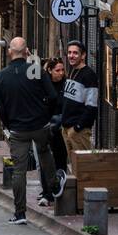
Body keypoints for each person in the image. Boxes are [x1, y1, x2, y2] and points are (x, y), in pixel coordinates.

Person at [0, 37, 59, 224]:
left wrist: (9, 124)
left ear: (9, 52)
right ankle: (55, 188)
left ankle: (20, 213)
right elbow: (53, 96)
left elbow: (0, 107)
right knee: (45, 154)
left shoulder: (1, 76)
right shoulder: (36, 71)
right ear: (27, 51)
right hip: (40, 125)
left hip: (18, 129)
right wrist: (46, 115)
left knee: (19, 172)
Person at [38, 57, 69, 207]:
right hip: (46, 128)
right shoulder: (44, 85)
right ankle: (47, 193)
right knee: (45, 162)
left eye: (62, 70)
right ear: (49, 70)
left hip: (61, 129)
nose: (61, 73)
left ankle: (59, 191)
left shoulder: (66, 85)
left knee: (60, 160)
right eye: (57, 70)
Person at [61, 40, 100, 157]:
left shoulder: (89, 75)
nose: (71, 56)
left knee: (84, 166)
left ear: (83, 55)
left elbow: (91, 106)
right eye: (69, 52)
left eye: (75, 53)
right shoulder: (73, 70)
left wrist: (77, 128)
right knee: (74, 166)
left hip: (78, 131)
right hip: (66, 128)